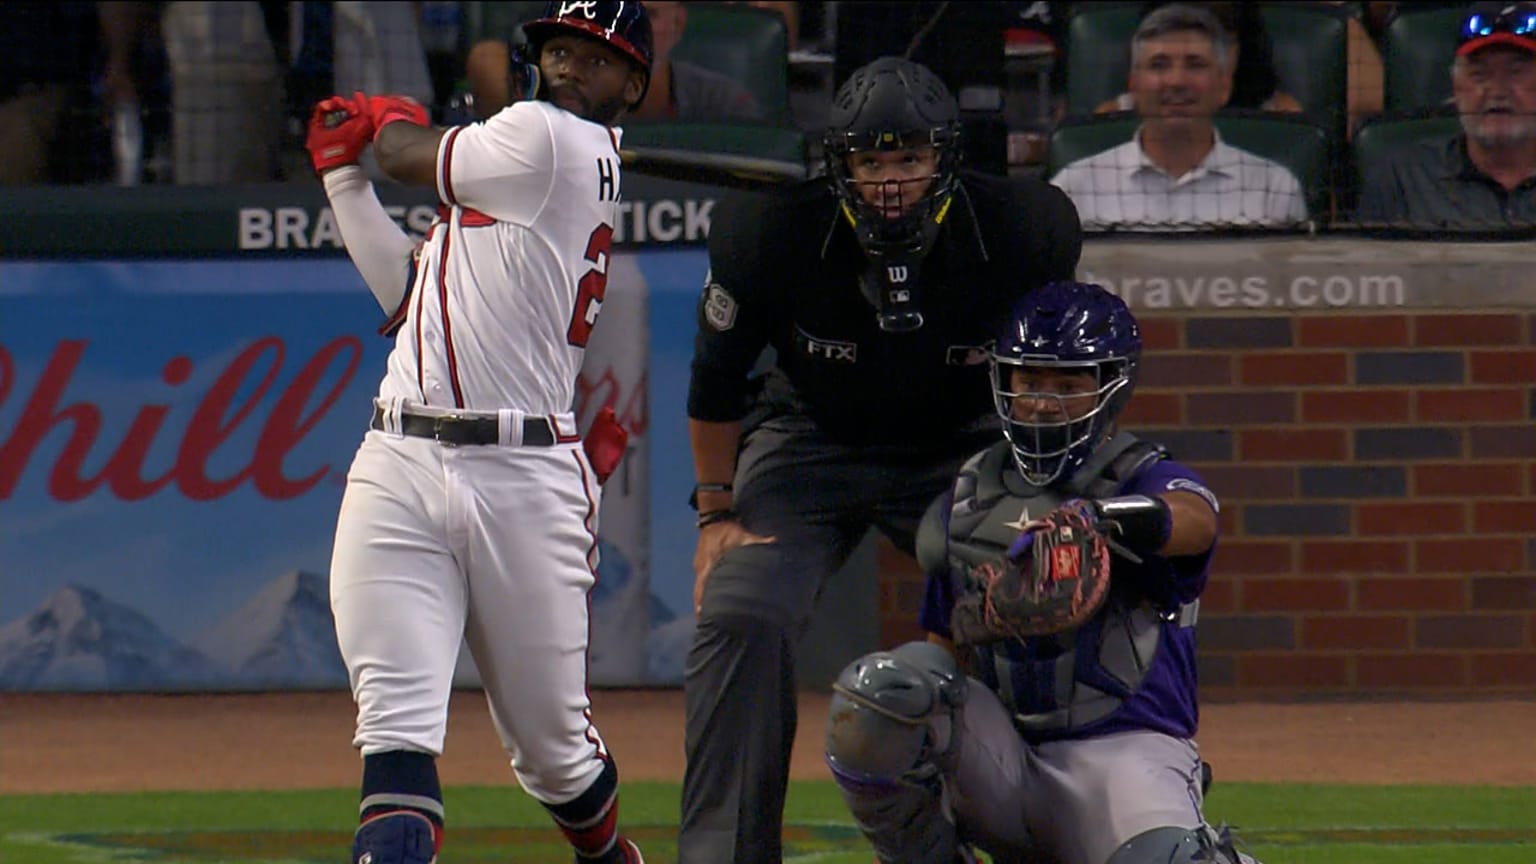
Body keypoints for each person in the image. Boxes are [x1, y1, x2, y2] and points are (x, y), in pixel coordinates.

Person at [679, 56, 1083, 864]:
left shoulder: (1025, 228)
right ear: (840, 166)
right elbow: (715, 381)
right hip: (808, 440)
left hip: (964, 442)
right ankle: (724, 854)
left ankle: (1048, 827)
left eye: (909, 158)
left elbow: (1057, 378)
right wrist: (716, 514)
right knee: (740, 606)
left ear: (946, 157)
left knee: (1035, 588)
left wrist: (1043, 499)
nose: (890, 181)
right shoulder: (767, 230)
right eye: (870, 162)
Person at [302, 2, 652, 862]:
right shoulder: (526, 162)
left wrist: (384, 119)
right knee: (394, 738)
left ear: (633, 86)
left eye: (597, 58)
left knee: (556, 760)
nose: (571, 67)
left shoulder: (546, 140)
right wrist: (340, 179)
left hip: (523, 477)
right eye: (561, 49)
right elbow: (408, 297)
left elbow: (401, 155)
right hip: (399, 460)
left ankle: (611, 856)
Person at [822, 279, 1258, 864]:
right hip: (1005, 759)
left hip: (1122, 758)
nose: (1044, 403)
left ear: (1111, 386)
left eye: (1068, 386)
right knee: (884, 692)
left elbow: (1195, 519)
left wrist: (1099, 520)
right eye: (1029, 382)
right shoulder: (970, 495)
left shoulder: (1142, 475)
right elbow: (939, 659)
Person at [1050, 3, 1308, 230]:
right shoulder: (1074, 188)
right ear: (1134, 85)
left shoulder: (1275, 189)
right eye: (1159, 65)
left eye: (1195, 64)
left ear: (1224, 86)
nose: (1176, 81)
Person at [1357, 1, 1536, 228]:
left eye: (1516, 72)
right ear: (1456, 88)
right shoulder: (1402, 179)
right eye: (1480, 74)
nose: (1498, 91)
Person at [466, 0, 762, 122]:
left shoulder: (726, 103)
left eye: (648, 15)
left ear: (678, 25)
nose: (625, 34)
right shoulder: (552, 87)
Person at [1094, 2, 1304, 115]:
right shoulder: (1112, 119)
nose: (1179, 79)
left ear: (1243, 48)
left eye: (1218, 43)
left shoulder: (1281, 117)